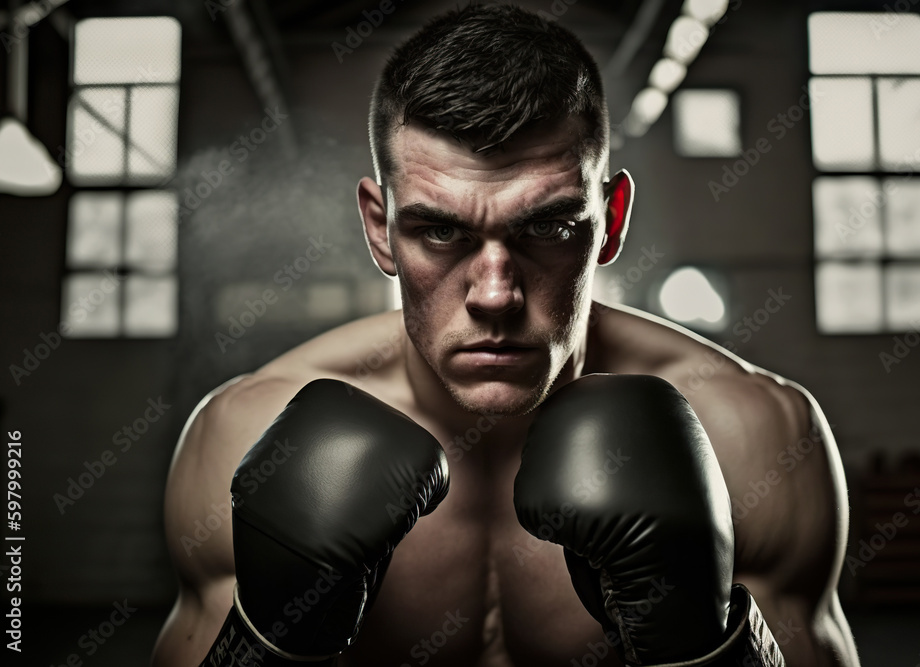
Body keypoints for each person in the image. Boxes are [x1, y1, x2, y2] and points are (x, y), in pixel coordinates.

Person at [152, 4, 860, 666]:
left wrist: (700, 646)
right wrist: (271, 644)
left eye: (547, 226)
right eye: (440, 230)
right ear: (379, 228)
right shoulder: (240, 434)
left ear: (610, 218)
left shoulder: (754, 431)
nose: (495, 292)